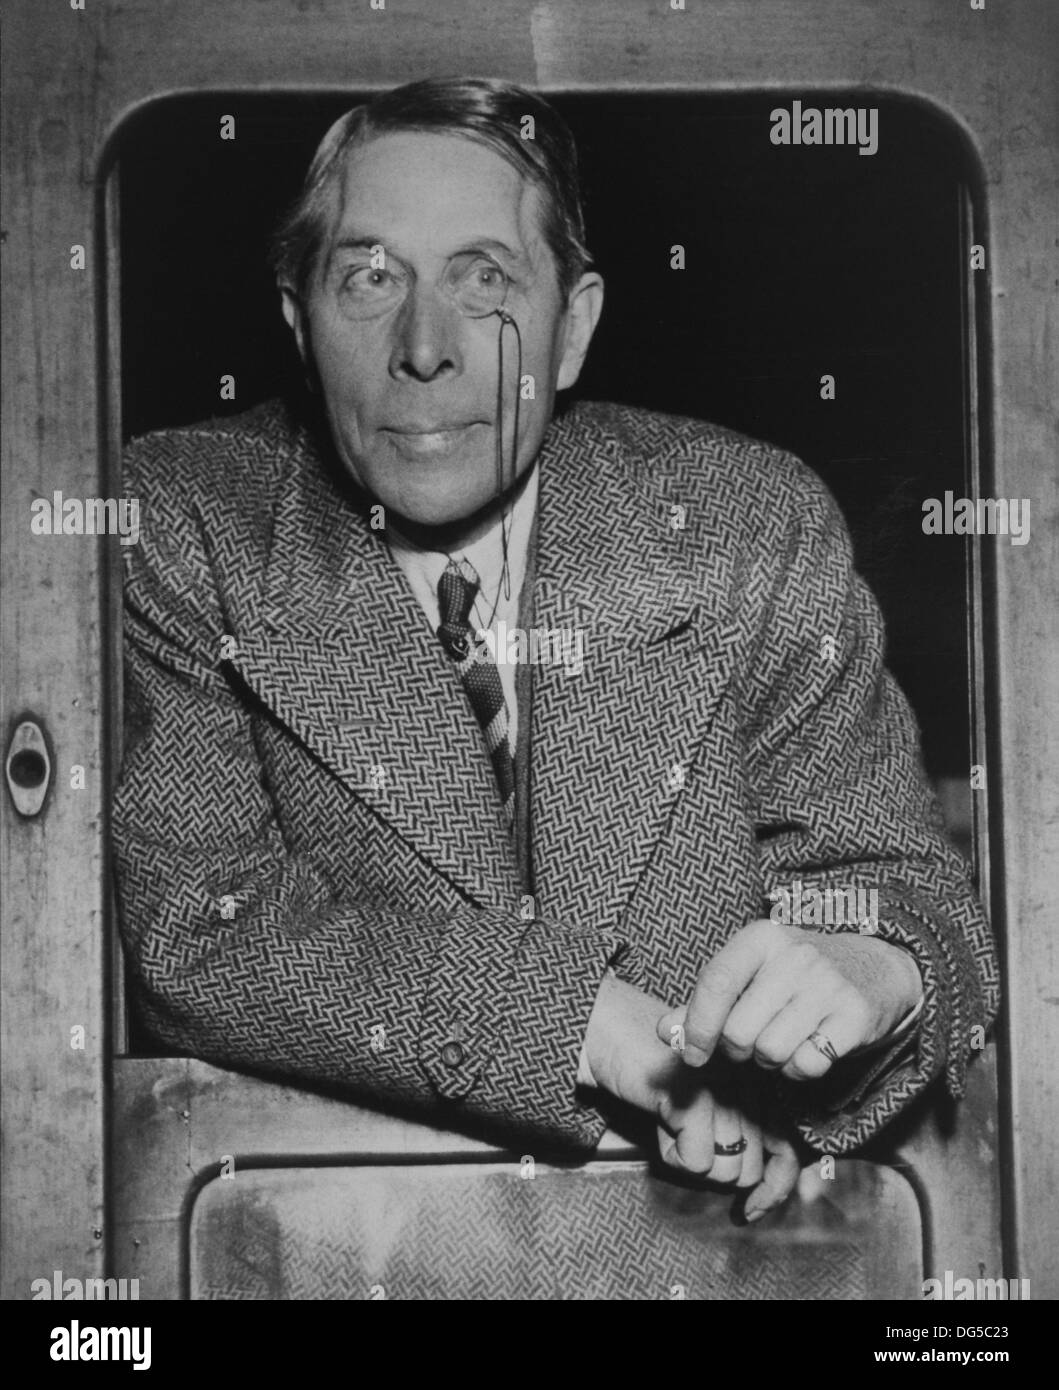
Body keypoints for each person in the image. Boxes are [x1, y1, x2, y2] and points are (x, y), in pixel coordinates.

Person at [113, 77, 998, 1223]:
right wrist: (577, 1020)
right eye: (369, 277)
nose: (423, 347)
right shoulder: (180, 525)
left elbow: (915, 906)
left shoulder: (747, 519)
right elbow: (202, 928)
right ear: (297, 319)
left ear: (572, 327)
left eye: (484, 280)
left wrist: (881, 977)